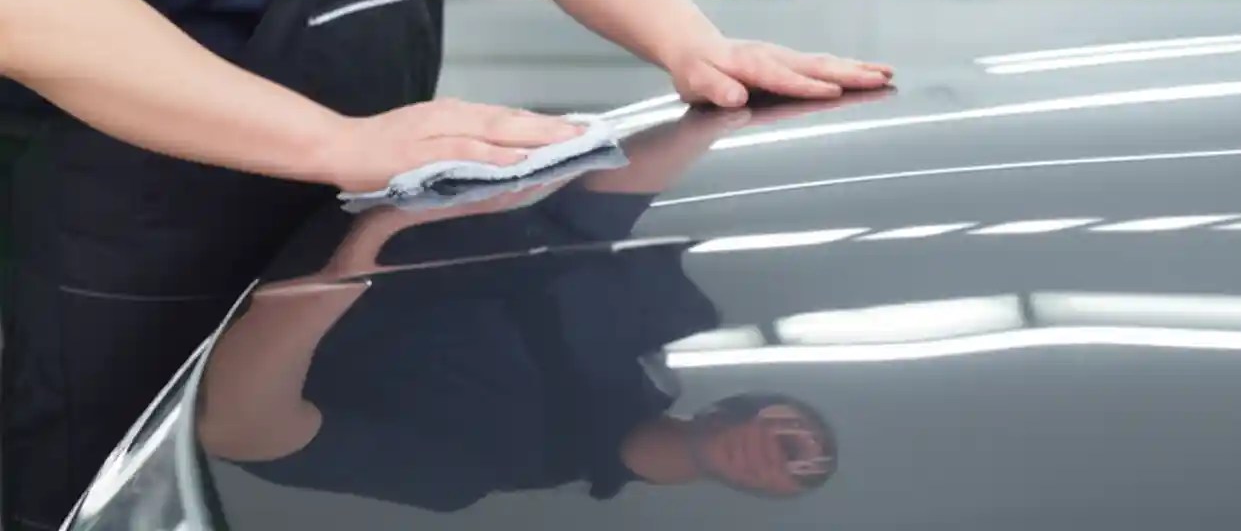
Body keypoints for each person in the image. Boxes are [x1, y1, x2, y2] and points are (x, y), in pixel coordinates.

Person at [0, 0, 889, 527]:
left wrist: (690, 44)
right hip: (136, 268)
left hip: (350, 223)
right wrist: (335, 143)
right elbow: (26, 2)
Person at [196, 108, 838, 512]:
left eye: (801, 469)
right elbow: (591, 213)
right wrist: (718, 115)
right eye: (801, 434)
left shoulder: (479, 472)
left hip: (184, 315)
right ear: (749, 403)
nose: (794, 453)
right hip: (303, 161)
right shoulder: (636, 328)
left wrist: (354, 263)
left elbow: (245, 432)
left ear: (757, 495)